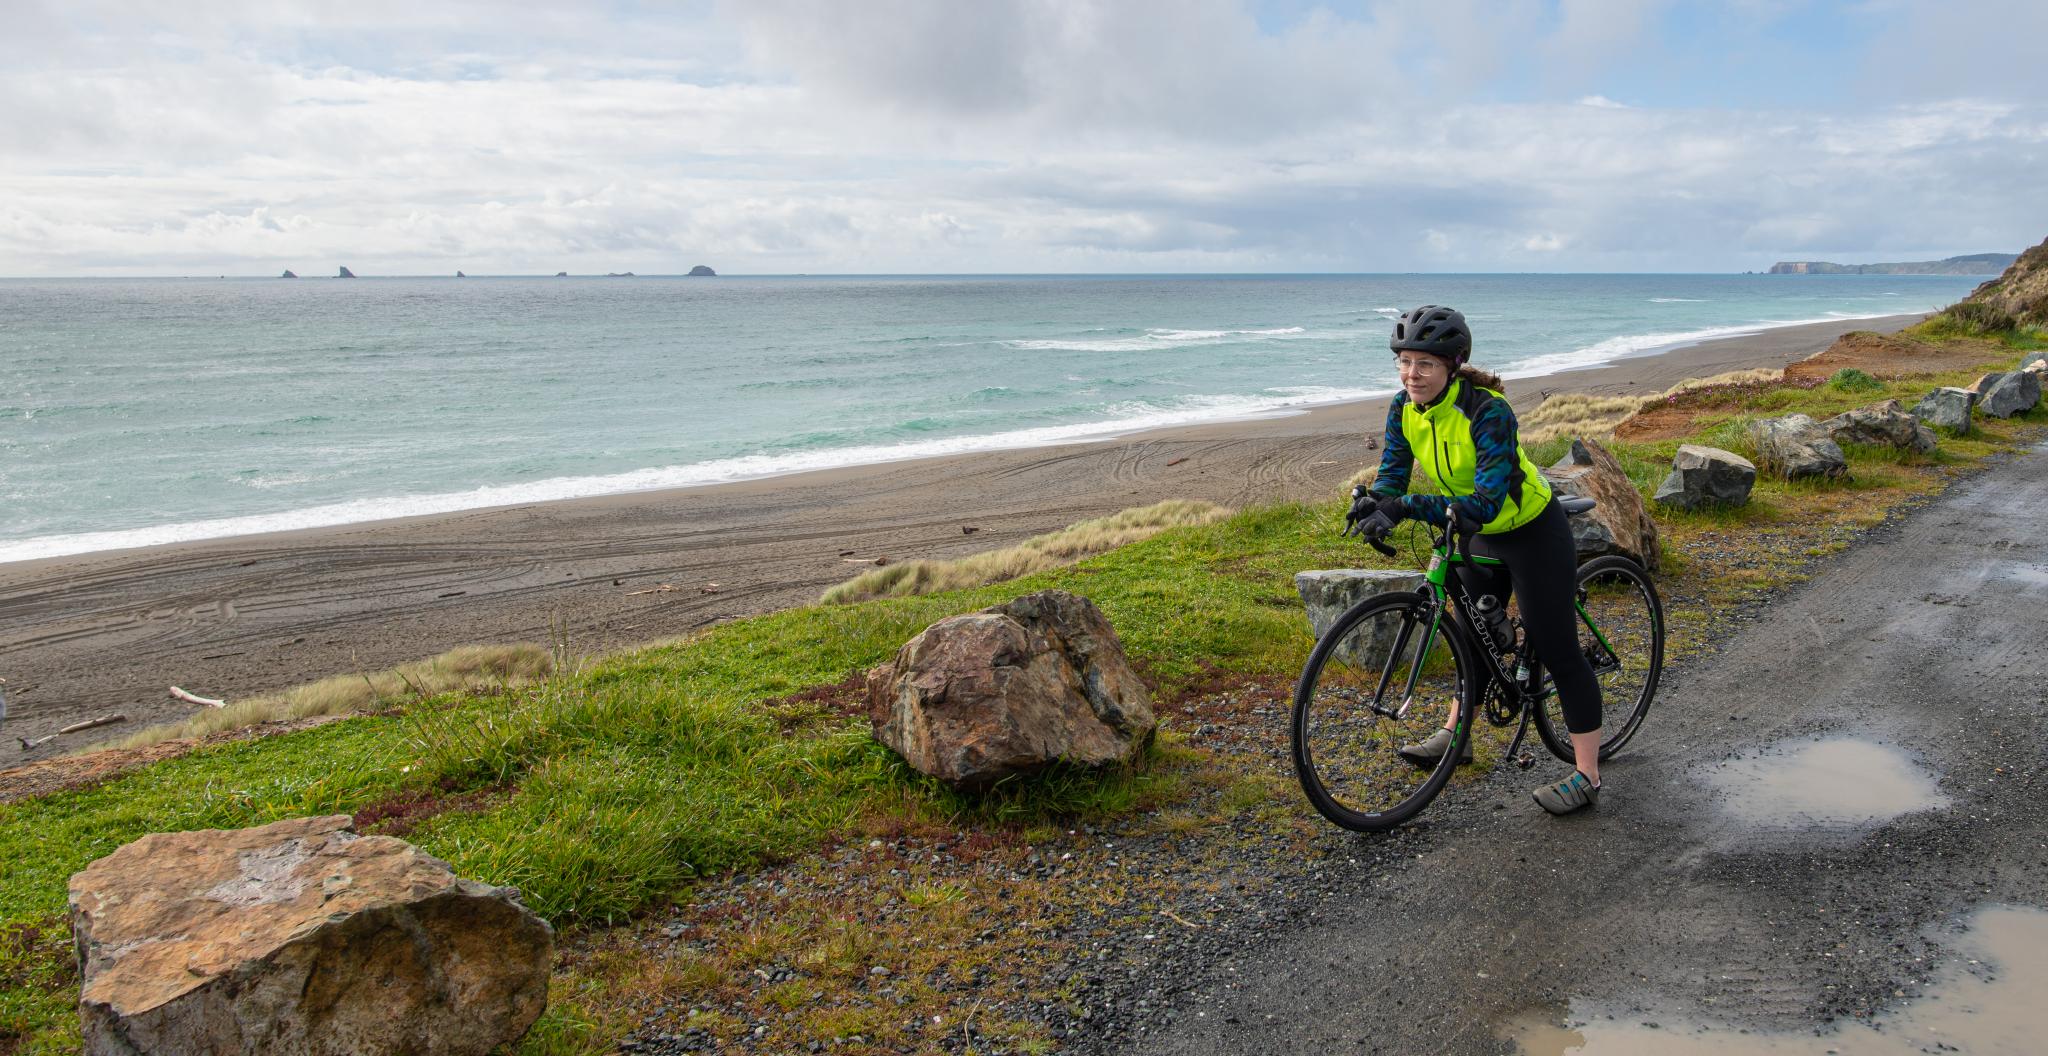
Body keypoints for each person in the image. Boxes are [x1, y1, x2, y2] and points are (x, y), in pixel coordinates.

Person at [1344, 305, 1604, 815]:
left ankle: (1587, 774)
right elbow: (1394, 475)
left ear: (1453, 364)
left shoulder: (1488, 410)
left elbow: (1486, 501)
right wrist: (1377, 502)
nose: (1411, 374)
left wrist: (1405, 508)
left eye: (1425, 364)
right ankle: (1456, 735)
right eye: (1404, 362)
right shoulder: (1403, 408)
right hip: (1472, 532)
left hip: (1528, 530)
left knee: (1557, 647)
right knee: (1469, 636)